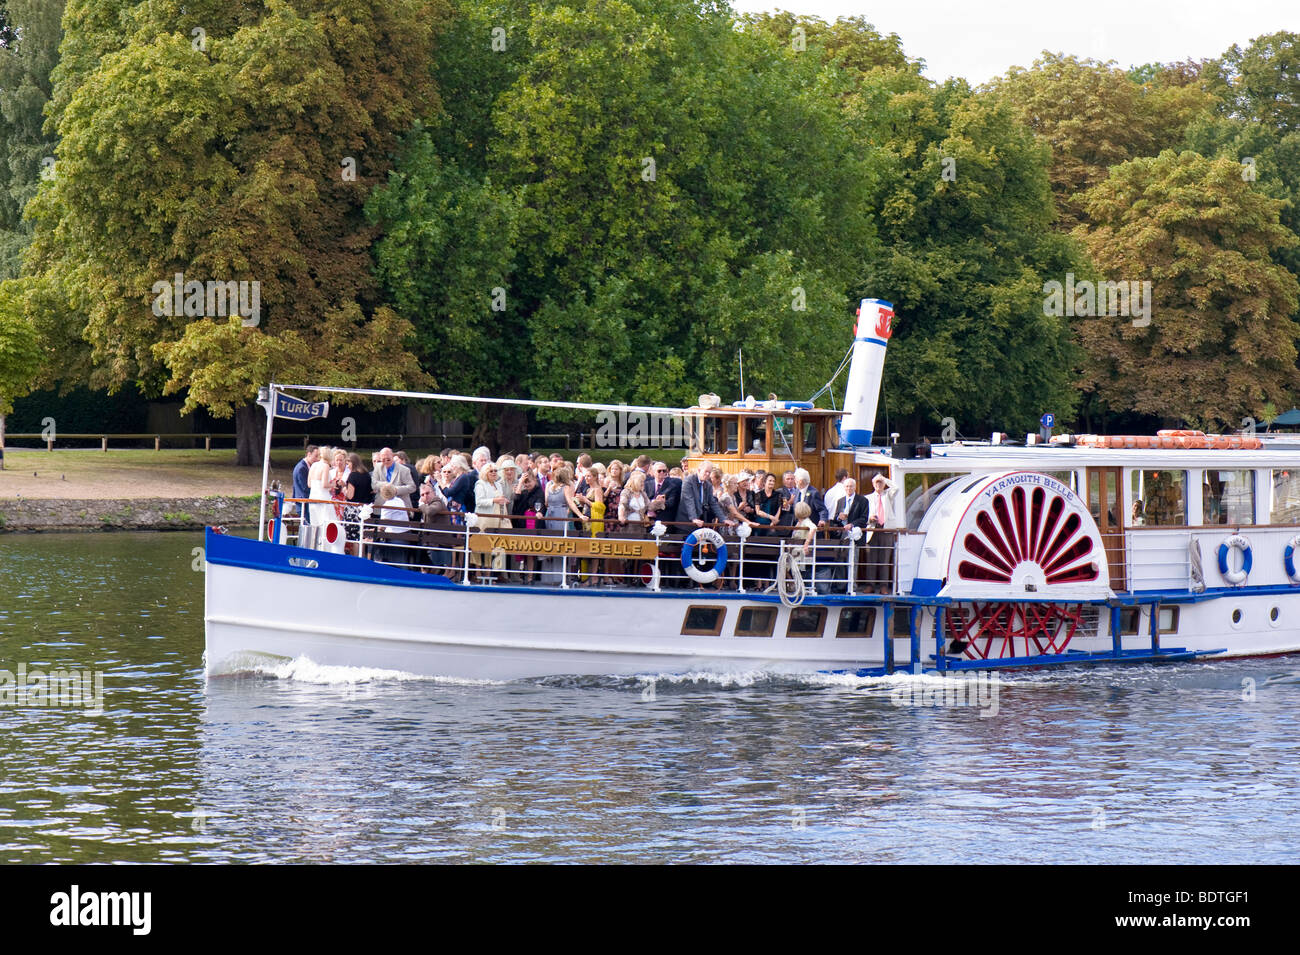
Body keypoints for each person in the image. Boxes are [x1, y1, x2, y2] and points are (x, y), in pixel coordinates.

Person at [342, 452, 373, 545]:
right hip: (366, 509)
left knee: (354, 538)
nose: (347, 466)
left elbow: (350, 495)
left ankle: (355, 554)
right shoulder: (367, 475)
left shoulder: (353, 476)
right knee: (362, 537)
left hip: (354, 510)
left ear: (353, 463)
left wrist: (344, 490)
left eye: (348, 464)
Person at [291, 445, 318, 522]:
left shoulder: (305, 466)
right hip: (303, 504)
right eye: (316, 456)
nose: (317, 459)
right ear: (309, 454)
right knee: (307, 525)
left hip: (305, 504)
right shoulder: (302, 468)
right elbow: (305, 487)